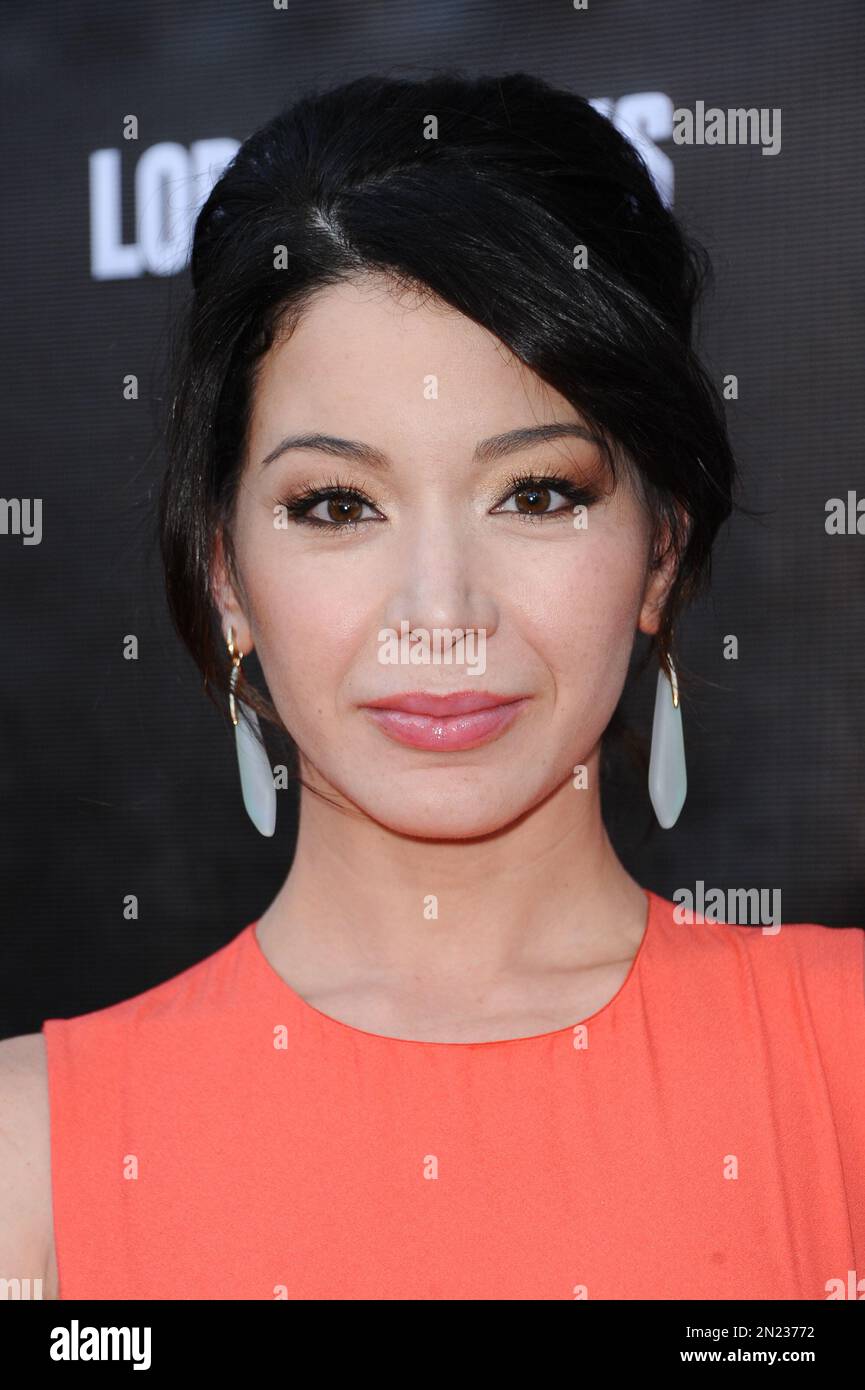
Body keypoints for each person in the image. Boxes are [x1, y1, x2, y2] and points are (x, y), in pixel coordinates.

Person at [2, 72, 863, 1302]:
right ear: (226, 570)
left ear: (660, 551)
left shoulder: (846, 1072)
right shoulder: (31, 1167)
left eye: (538, 493)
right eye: (337, 505)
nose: (441, 615)